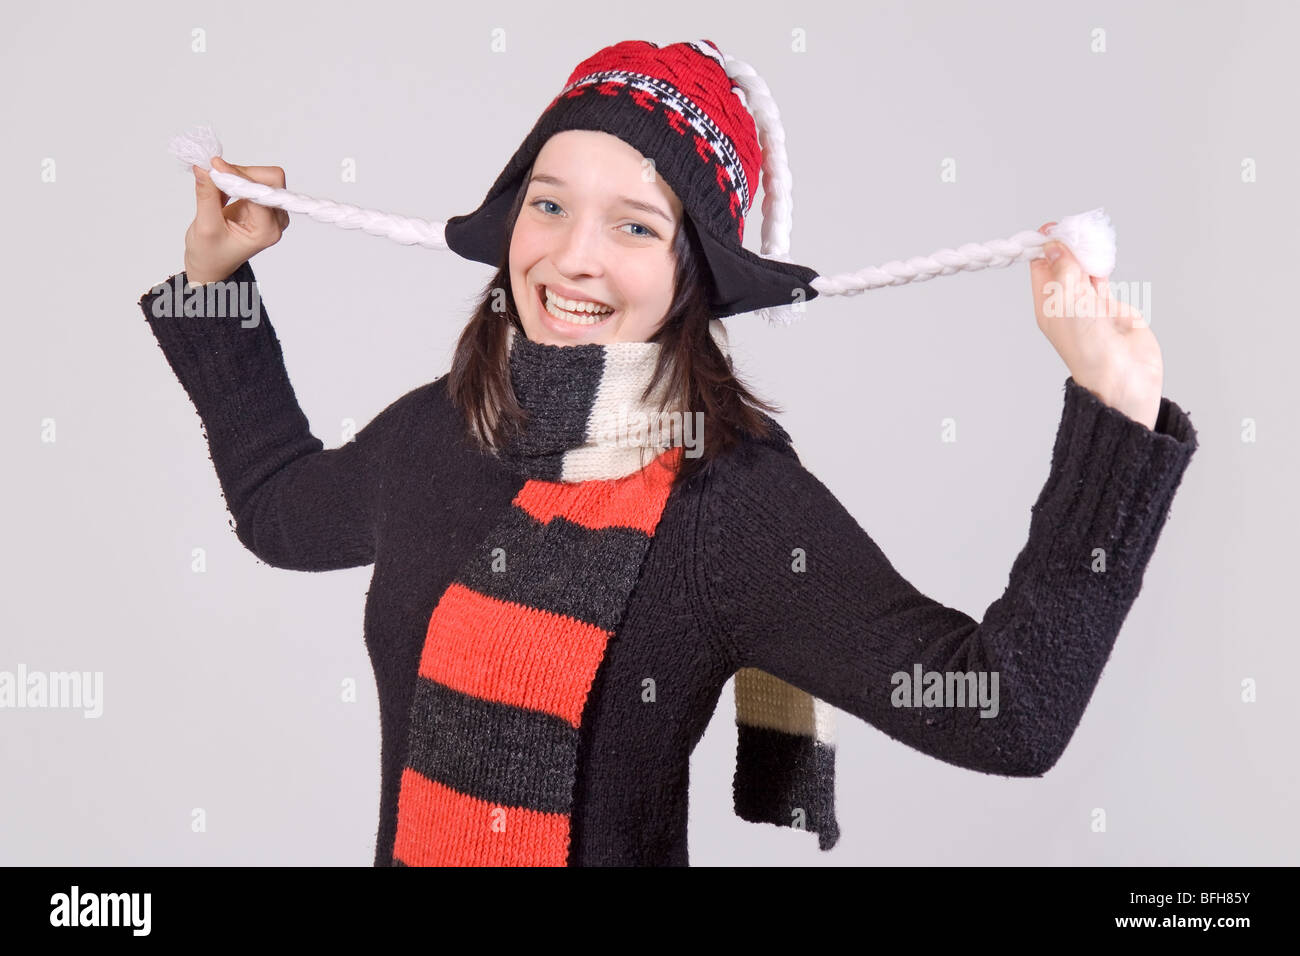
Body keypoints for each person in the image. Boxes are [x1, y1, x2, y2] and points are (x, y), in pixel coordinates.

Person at [139, 39, 1198, 867]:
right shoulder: (443, 429)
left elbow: (1004, 712)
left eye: (636, 227)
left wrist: (1116, 412)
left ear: (696, 267)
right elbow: (280, 508)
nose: (572, 255)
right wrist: (215, 280)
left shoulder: (730, 505)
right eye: (548, 204)